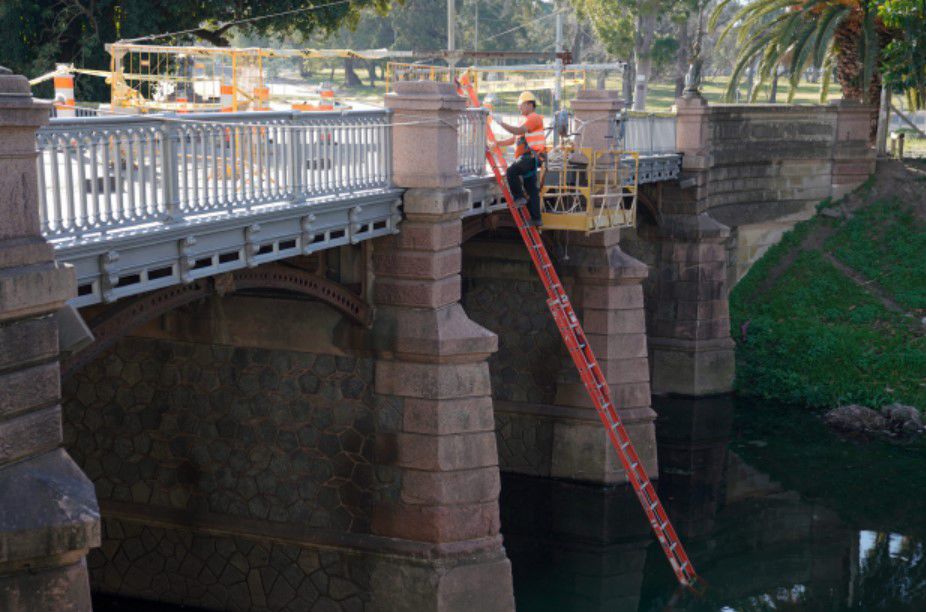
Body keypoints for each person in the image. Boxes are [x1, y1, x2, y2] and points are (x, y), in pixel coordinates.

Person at [495, 91, 547, 227]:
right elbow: (515, 139)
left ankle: (518, 197)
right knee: (532, 189)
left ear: (530, 104)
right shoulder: (525, 119)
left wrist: (501, 123)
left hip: (530, 157)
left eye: (521, 105)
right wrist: (497, 143)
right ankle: (536, 218)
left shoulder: (534, 118)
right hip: (529, 159)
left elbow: (517, 131)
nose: (519, 108)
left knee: (511, 172)